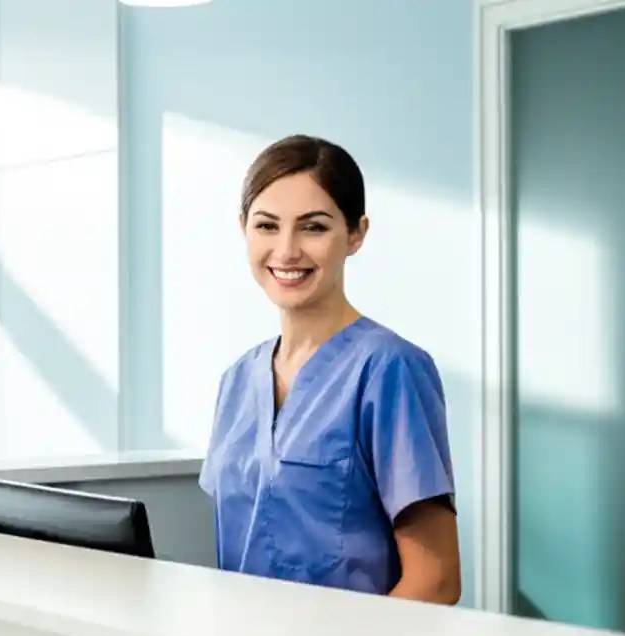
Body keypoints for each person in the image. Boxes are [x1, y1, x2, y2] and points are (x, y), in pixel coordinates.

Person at [198, 135, 461, 604]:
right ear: (243, 229)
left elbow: (436, 580)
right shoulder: (236, 381)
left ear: (356, 234)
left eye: (313, 228)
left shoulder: (389, 370)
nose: (286, 250)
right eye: (266, 226)